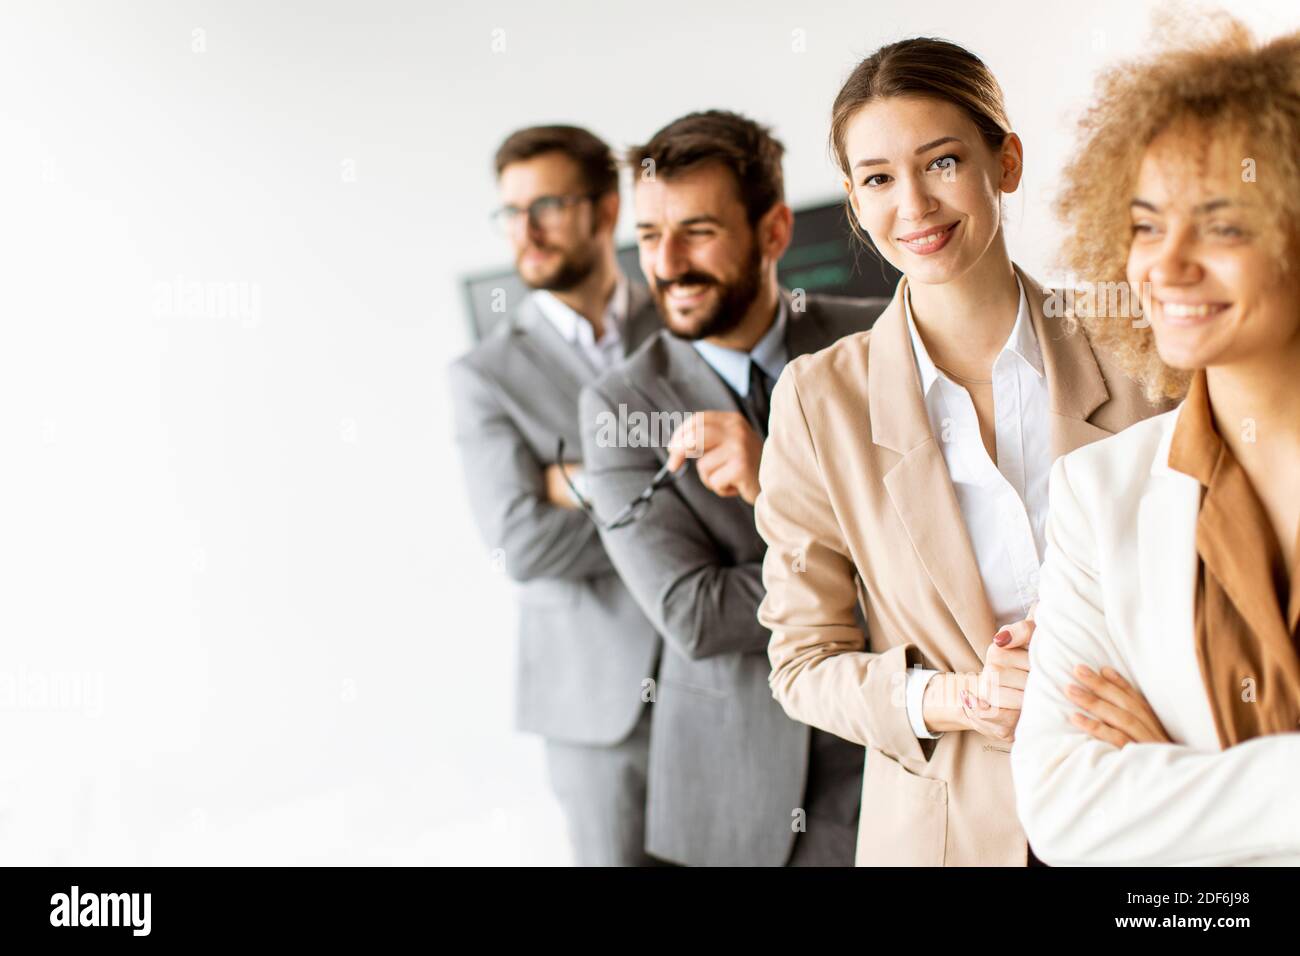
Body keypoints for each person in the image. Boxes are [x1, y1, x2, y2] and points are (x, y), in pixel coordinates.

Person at [754, 38, 1163, 866]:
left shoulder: (1138, 342)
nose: (914, 205)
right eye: (877, 178)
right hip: (950, 836)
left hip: (1151, 797)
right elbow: (802, 662)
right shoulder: (816, 399)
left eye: (941, 162)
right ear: (854, 200)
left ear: (1004, 160)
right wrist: (956, 697)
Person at [1011, 14, 1300, 866]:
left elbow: (1119, 817)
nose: (1165, 265)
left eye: (1221, 224)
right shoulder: (1100, 490)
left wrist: (1179, 772)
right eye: (1145, 225)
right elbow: (1063, 808)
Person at [577, 110, 885, 865]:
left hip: (902, 755)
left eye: (699, 231)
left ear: (775, 231)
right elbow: (695, 614)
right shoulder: (619, 406)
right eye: (650, 237)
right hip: (740, 794)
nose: (668, 263)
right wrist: (875, 577)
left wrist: (768, 482)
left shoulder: (879, 343)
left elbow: (956, 543)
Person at [448, 125, 662, 865]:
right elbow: (524, 542)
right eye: (510, 212)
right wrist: (666, 488)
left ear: (606, 211)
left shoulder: (683, 321)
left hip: (726, 680)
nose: (524, 231)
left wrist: (577, 481)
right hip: (594, 704)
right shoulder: (484, 375)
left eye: (545, 206)